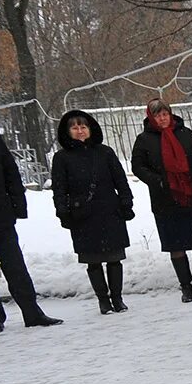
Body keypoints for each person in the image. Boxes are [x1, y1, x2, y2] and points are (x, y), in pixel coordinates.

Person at [51, 110, 134, 315]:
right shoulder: (62, 158)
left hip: (109, 210)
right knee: (93, 261)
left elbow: (120, 180)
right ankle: (103, 300)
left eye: (83, 126)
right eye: (75, 127)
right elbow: (59, 188)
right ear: (67, 131)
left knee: (115, 258)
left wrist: (126, 202)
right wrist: (63, 212)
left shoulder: (104, 152)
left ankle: (117, 298)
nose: (80, 131)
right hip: (82, 214)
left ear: (90, 128)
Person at [131, 99, 192, 302]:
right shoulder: (144, 139)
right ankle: (186, 287)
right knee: (176, 245)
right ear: (151, 118)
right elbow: (138, 166)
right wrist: (158, 181)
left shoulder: (185, 133)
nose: (162, 118)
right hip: (165, 200)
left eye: (165, 114)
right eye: (158, 115)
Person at [0, 128, 61, 333]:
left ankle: (32, 313)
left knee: (16, 266)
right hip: (0, 214)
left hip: (0, 216)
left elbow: (10, 172)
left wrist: (18, 207)